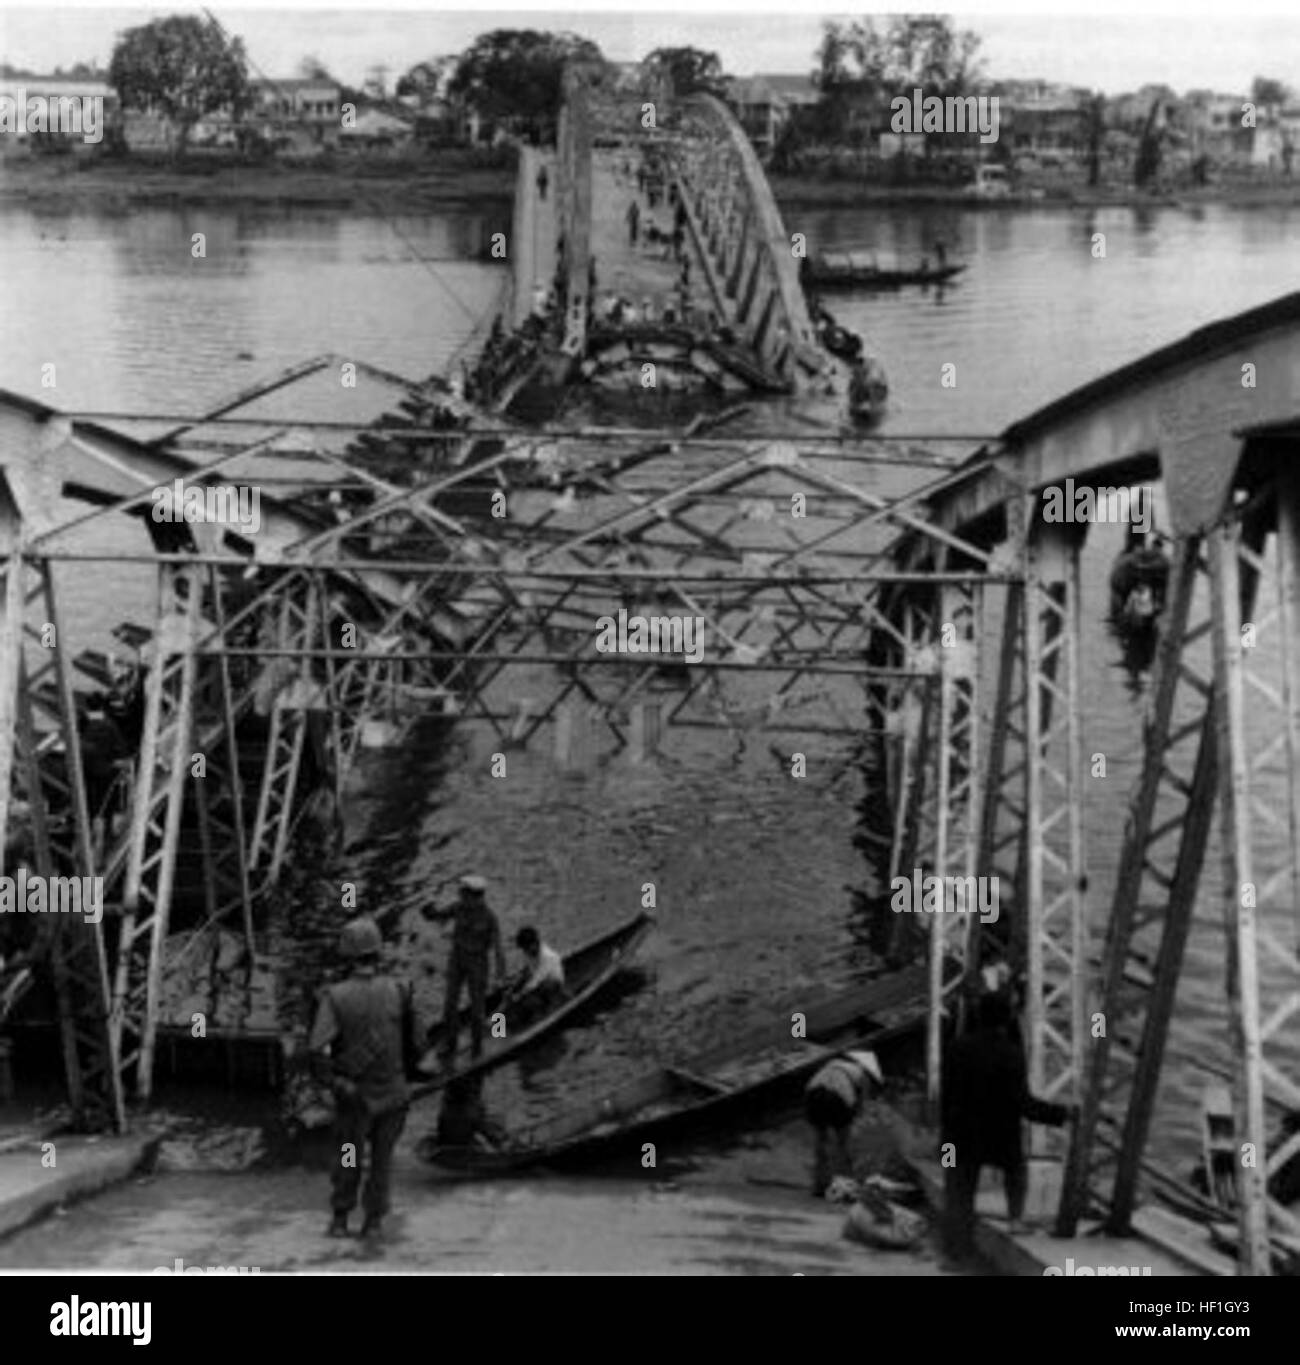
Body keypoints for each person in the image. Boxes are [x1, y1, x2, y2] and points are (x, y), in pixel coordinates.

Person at [940, 990, 1076, 1264]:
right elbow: (1023, 1103)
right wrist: (1062, 1114)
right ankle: (1015, 1218)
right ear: (1005, 1019)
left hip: (957, 1136)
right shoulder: (1011, 1054)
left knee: (957, 1192)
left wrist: (944, 1140)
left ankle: (955, 1254)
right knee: (1016, 1169)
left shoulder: (956, 1048)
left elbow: (946, 1095)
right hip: (998, 1135)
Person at [309, 916, 421, 1245]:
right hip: (392, 1096)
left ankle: (340, 1219)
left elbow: (317, 1050)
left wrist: (336, 1085)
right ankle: (373, 1223)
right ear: (377, 953)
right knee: (382, 1161)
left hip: (354, 1100)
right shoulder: (401, 990)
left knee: (348, 1155)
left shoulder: (335, 996)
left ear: (349, 956)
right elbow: (418, 1043)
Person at [423, 875, 507, 1067]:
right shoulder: (457, 907)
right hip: (457, 959)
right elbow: (438, 915)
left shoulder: (489, 918)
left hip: (478, 963)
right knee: (449, 1003)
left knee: (478, 1010)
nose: (461, 896)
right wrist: (429, 912)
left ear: (475, 896)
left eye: (464, 893)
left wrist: (500, 976)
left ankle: (477, 1049)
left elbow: (498, 948)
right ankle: (449, 1043)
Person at [804, 1049, 885, 1197]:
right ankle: (843, 1184)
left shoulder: (833, 1064)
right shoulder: (862, 1074)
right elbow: (861, 1107)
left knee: (821, 1141)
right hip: (838, 1096)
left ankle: (819, 1185)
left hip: (813, 1091)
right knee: (843, 1143)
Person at [504, 925, 567, 1027]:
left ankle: (548, 1009)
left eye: (526, 948)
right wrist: (512, 987)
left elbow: (535, 981)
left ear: (534, 944)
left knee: (529, 1001)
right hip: (537, 985)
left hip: (552, 987)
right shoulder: (529, 953)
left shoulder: (548, 957)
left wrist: (518, 995)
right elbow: (527, 971)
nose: (524, 951)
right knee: (516, 998)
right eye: (523, 949)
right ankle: (500, 1027)